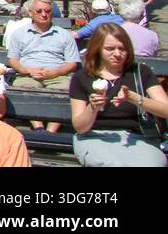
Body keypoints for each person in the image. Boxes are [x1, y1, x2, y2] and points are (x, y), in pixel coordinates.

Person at [69, 22, 168, 167]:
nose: (117, 54)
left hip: (139, 138)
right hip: (96, 137)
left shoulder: (140, 72)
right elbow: (80, 127)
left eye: (122, 49)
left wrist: (136, 99)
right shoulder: (82, 77)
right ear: (97, 49)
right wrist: (93, 108)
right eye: (110, 49)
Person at [7, 0, 80, 133]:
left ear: (52, 13)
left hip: (57, 75)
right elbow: (13, 60)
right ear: (30, 13)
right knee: (25, 88)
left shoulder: (65, 35)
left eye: (47, 11)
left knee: (66, 90)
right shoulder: (19, 34)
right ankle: (38, 127)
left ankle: (51, 130)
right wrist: (25, 70)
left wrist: (55, 73)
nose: (43, 14)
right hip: (28, 74)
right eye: (39, 11)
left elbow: (72, 63)